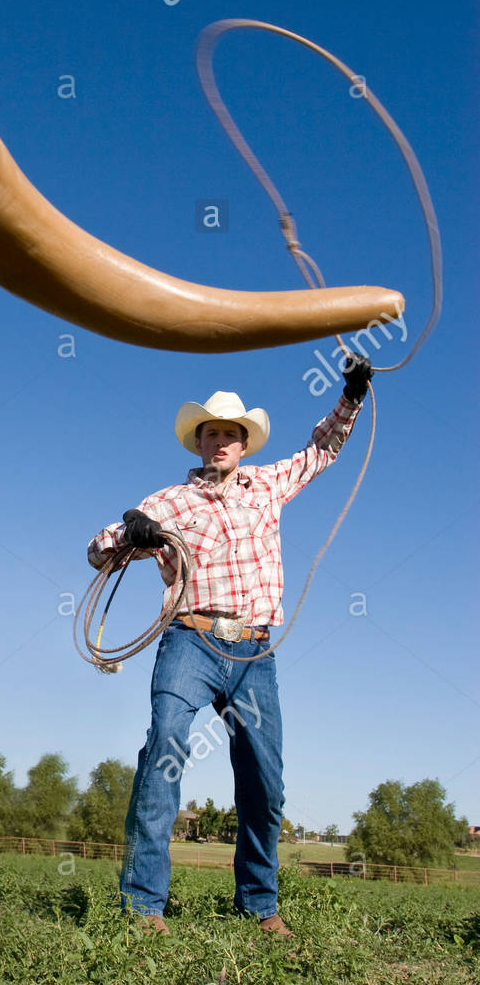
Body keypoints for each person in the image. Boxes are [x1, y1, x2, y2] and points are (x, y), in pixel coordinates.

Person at [86, 355, 374, 939]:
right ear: (199, 442)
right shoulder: (168, 502)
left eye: (230, 434)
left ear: (244, 444)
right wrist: (130, 535)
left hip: (253, 651)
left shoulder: (268, 486)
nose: (219, 441)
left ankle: (260, 904)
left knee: (265, 778)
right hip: (189, 638)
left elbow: (322, 450)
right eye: (211, 433)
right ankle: (144, 907)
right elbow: (99, 548)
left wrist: (352, 394)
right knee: (165, 745)